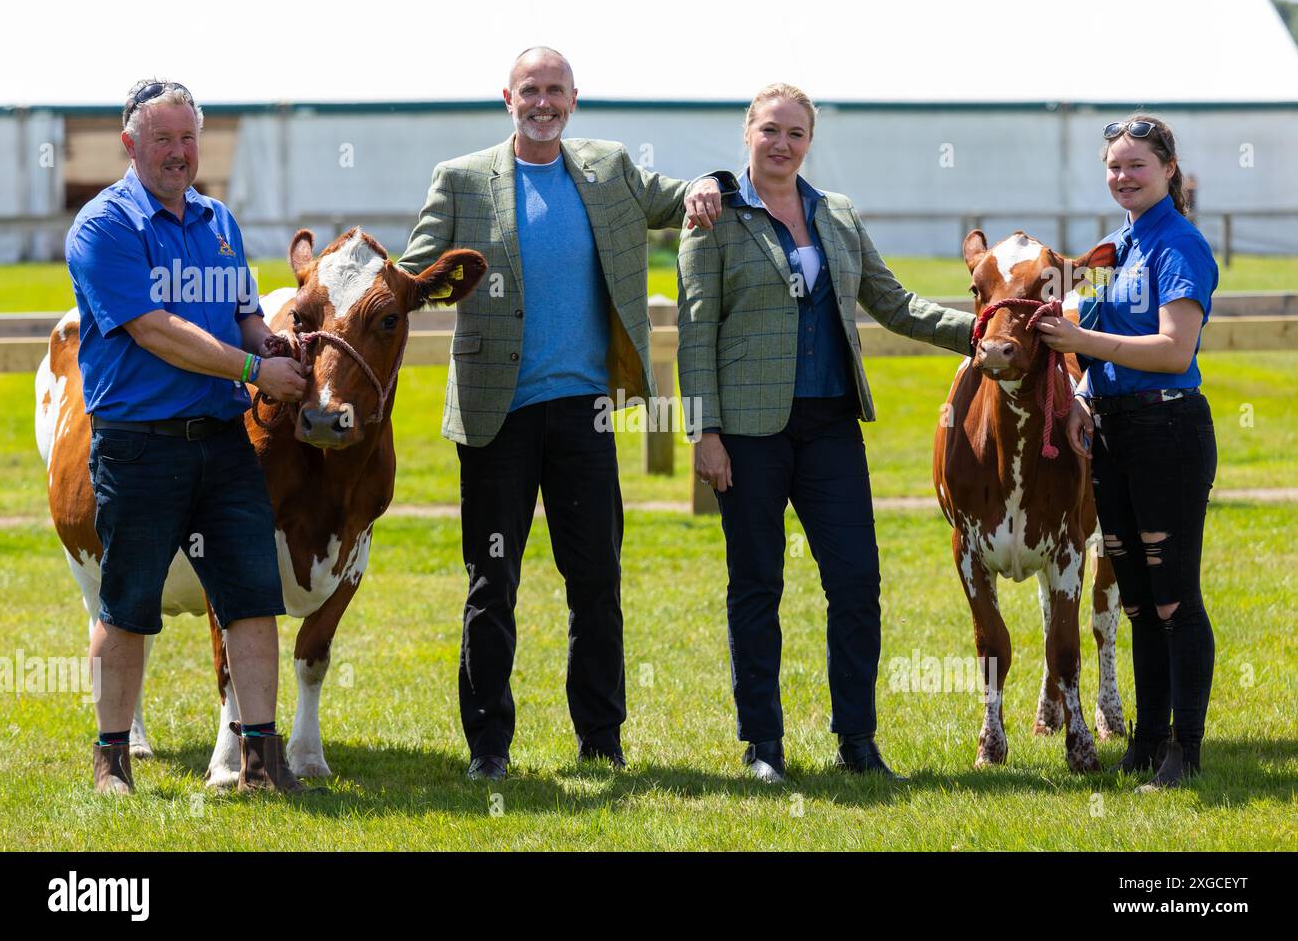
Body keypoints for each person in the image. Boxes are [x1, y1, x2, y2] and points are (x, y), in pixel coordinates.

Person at [398, 47, 733, 780]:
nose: (542, 102)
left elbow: (681, 198)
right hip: (496, 418)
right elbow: (414, 278)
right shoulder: (460, 181)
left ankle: (601, 741)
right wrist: (368, 287)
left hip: (587, 416)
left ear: (573, 100)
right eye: (530, 90)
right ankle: (489, 748)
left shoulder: (609, 168)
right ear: (507, 99)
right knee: (493, 584)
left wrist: (712, 183)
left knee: (596, 582)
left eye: (555, 90)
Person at [677, 84, 976, 782]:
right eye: (771, 130)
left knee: (856, 580)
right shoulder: (714, 217)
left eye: (796, 134)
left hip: (831, 425)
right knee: (757, 583)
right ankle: (763, 747)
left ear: (810, 141)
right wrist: (704, 433)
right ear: (747, 131)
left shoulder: (834, 213)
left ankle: (858, 743)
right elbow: (695, 332)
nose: (782, 144)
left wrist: (983, 332)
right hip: (748, 433)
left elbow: (894, 303)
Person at [67, 79, 307, 795]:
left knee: (252, 600)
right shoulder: (104, 226)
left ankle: (262, 766)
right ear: (130, 145)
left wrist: (275, 344)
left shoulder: (219, 222)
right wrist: (254, 370)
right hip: (139, 445)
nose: (179, 153)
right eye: (163, 139)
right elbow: (154, 331)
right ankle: (113, 761)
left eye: (188, 138)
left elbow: (244, 315)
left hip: (224, 444)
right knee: (128, 603)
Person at [1036, 114, 1218, 791]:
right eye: (1113, 166)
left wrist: (1085, 347)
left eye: (1137, 165)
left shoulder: (1180, 246)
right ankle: (1145, 743)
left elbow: (1174, 351)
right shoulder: (1116, 247)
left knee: (1173, 600)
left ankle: (1185, 750)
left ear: (1169, 170)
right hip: (1112, 434)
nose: (1122, 176)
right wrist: (1082, 395)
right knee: (1136, 602)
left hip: (1167, 433)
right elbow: (1088, 335)